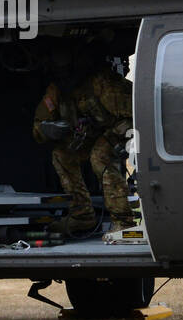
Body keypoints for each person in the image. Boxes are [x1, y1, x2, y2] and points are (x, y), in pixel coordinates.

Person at [33, 57, 135, 235]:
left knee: (99, 157)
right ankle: (82, 216)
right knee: (62, 154)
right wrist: (46, 129)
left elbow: (137, 112)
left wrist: (123, 137)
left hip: (118, 130)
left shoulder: (101, 83)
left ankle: (125, 222)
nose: (63, 75)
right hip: (89, 136)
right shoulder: (56, 91)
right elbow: (38, 125)